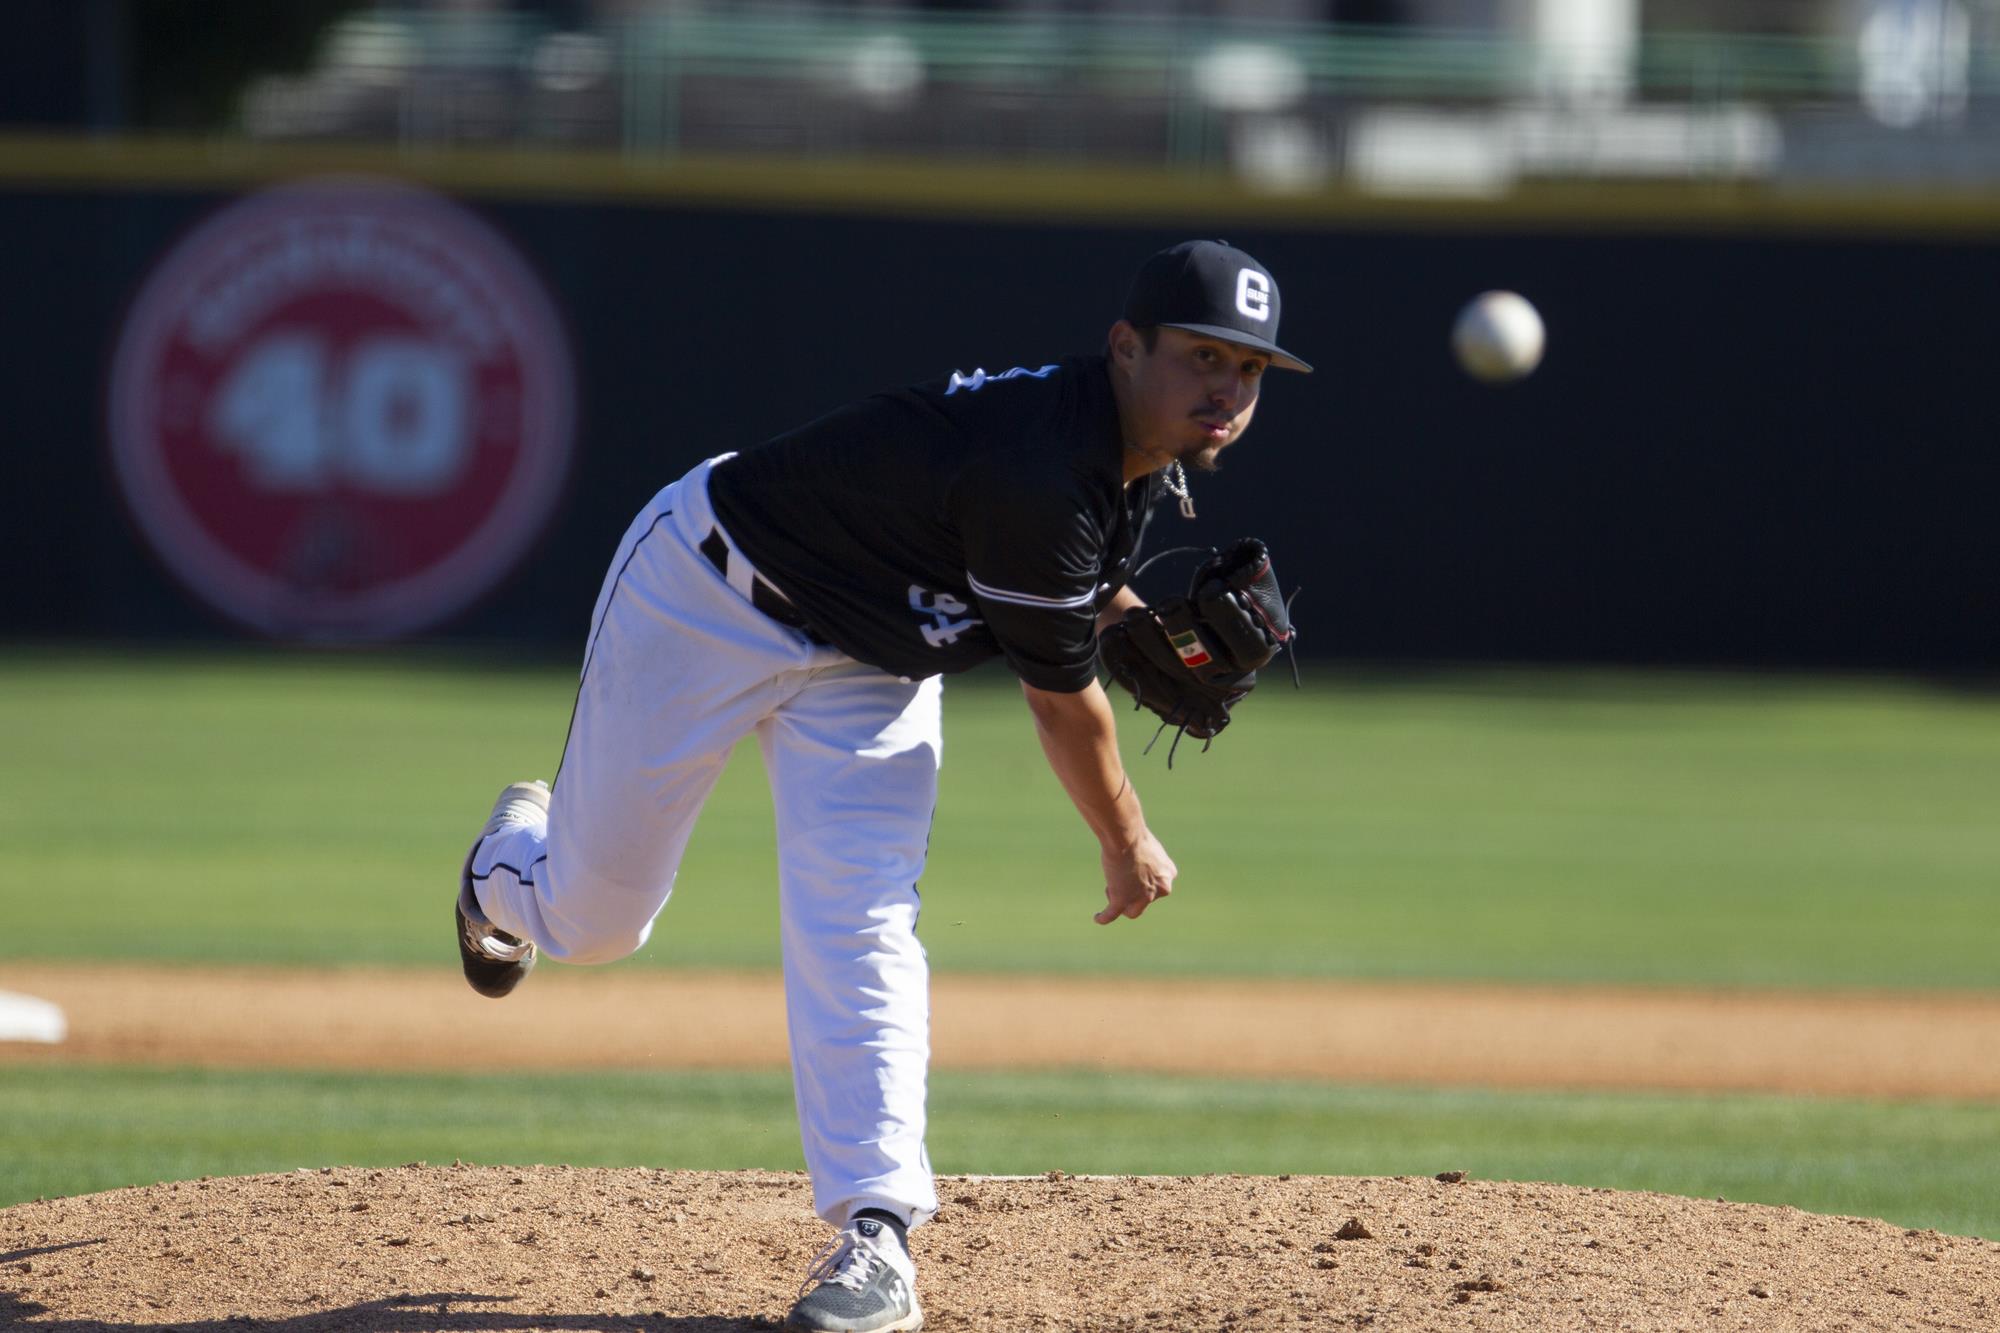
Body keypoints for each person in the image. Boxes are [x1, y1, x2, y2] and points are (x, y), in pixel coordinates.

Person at [455, 238, 1311, 1333]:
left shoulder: (1130, 455)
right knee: (594, 921)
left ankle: (876, 1236)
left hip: (873, 662)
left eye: (1249, 369)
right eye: (1202, 356)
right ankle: (501, 875)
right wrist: (1126, 838)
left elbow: (1065, 586)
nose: (1227, 389)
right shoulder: (1042, 463)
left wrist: (1132, 620)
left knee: (861, 918)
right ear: (1125, 347)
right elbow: (1063, 703)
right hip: (706, 594)